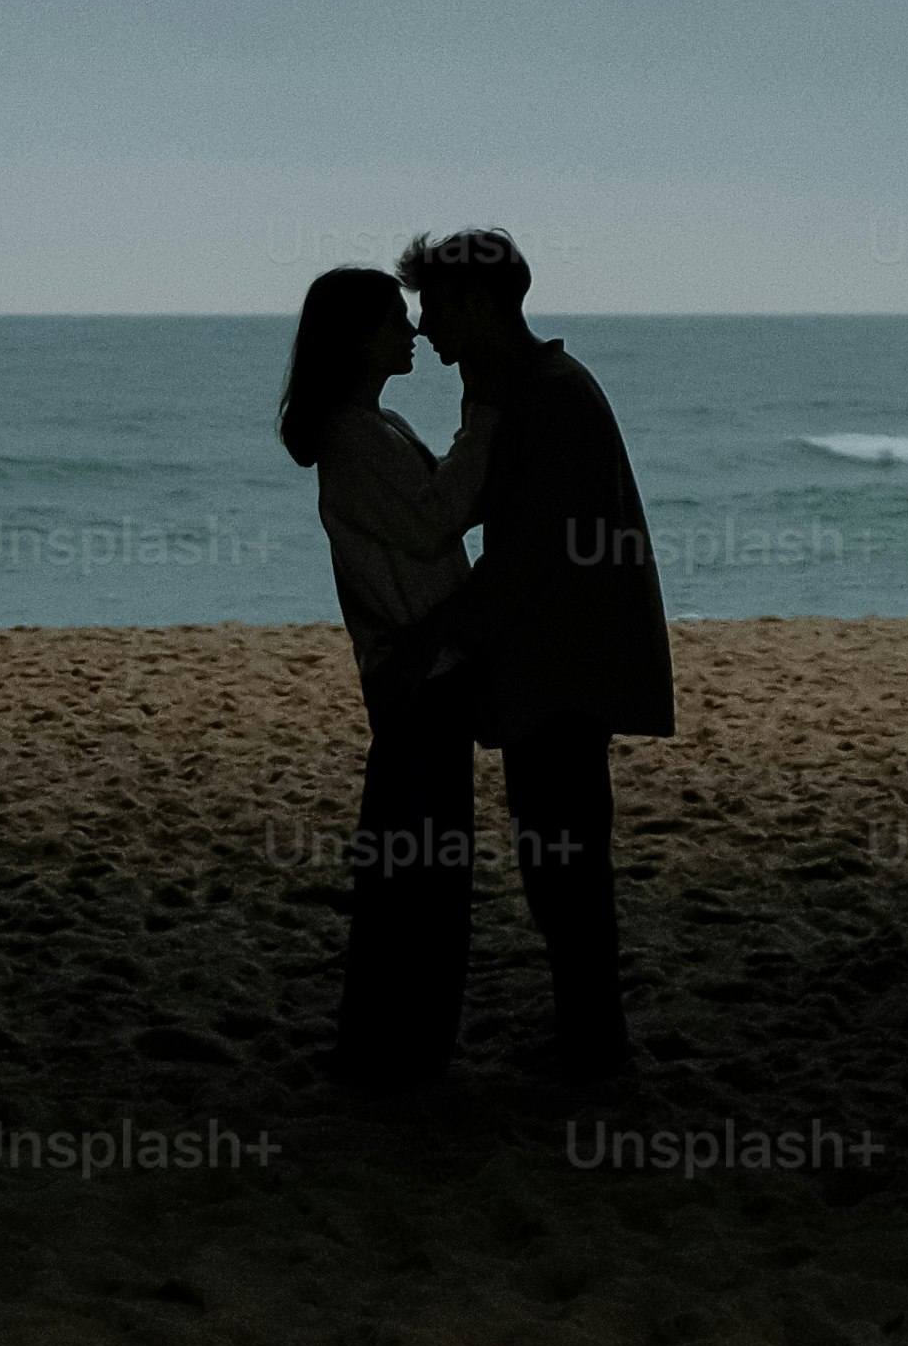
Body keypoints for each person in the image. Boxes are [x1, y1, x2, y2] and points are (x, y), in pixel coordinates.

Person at [385, 225, 676, 1091]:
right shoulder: (524, 389)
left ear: (475, 304)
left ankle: (596, 1046)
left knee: (563, 857)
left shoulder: (551, 397)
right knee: (556, 852)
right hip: (555, 660)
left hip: (566, 666)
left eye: (434, 306)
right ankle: (590, 1036)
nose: (425, 325)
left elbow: (530, 553)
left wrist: (441, 636)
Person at [279, 263, 490, 1093]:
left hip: (421, 666)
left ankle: (391, 1043)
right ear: (357, 337)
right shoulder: (358, 434)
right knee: (423, 864)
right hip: (419, 669)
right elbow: (440, 518)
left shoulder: (372, 424)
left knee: (415, 857)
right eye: (394, 321)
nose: (410, 332)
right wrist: (486, 417)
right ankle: (399, 1050)